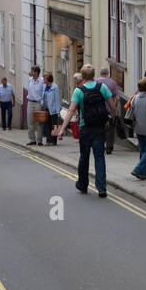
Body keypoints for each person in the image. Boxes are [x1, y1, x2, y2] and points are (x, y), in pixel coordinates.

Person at [56, 63, 116, 198]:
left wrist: (62, 129)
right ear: (93, 75)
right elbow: (112, 106)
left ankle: (83, 185)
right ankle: (101, 188)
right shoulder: (102, 87)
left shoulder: (79, 91)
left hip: (85, 128)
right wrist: (112, 117)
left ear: (82, 76)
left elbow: (71, 110)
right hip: (99, 128)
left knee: (84, 157)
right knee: (100, 157)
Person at [98, 66, 122, 154]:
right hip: (109, 109)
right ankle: (109, 147)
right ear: (108, 73)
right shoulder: (112, 82)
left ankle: (100, 145)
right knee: (110, 129)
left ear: (100, 73)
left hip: (98, 110)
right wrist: (114, 107)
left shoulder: (96, 82)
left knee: (100, 128)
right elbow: (118, 97)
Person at [27, 65, 46, 146]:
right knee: (30, 122)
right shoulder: (30, 80)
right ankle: (32, 139)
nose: (30, 72)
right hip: (30, 102)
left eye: (32, 71)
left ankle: (39, 140)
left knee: (39, 122)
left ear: (36, 72)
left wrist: (42, 102)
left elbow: (43, 92)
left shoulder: (42, 81)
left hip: (38, 103)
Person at [42, 72, 61, 147]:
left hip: (53, 109)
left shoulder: (55, 87)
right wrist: (41, 102)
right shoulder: (44, 86)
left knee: (53, 125)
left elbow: (57, 99)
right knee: (47, 125)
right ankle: (48, 140)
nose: (43, 80)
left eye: (44, 78)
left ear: (48, 79)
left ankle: (53, 141)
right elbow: (42, 96)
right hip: (46, 109)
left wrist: (57, 111)